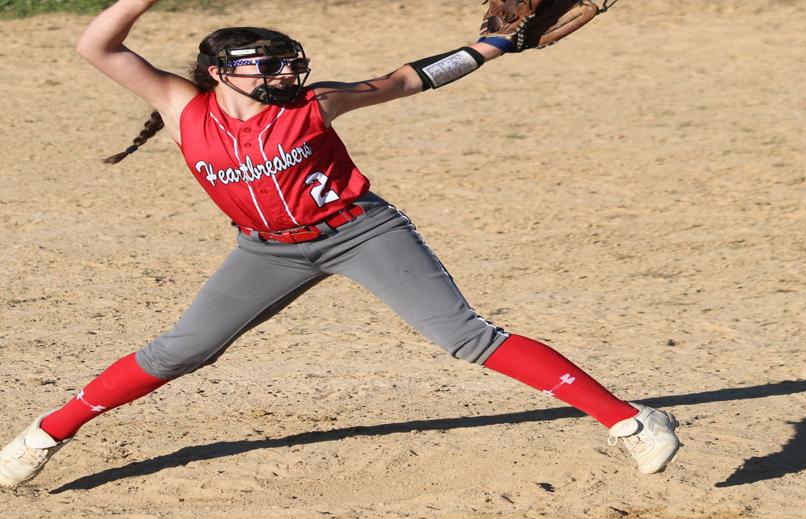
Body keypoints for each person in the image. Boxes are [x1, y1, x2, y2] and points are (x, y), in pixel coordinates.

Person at [0, 0, 680, 489]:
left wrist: (492, 47)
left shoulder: (313, 104)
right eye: (264, 67)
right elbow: (98, 46)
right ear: (217, 74)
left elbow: (407, 78)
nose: (282, 76)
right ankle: (43, 436)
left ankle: (630, 423)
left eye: (285, 64)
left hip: (360, 231)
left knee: (465, 336)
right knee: (180, 350)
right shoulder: (184, 107)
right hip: (266, 249)